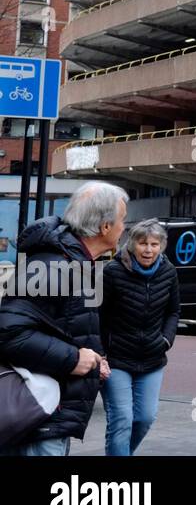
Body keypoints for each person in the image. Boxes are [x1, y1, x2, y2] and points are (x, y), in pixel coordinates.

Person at [0, 181, 127, 456]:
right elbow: (9, 333)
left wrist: (93, 359)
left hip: (51, 418)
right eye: (122, 220)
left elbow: (64, 328)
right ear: (105, 227)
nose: (124, 228)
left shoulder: (75, 264)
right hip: (39, 421)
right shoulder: (52, 266)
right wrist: (73, 358)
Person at [100, 218, 180, 456]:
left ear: (162, 246)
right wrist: (102, 351)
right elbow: (98, 315)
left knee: (144, 418)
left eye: (154, 244)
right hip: (117, 359)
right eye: (143, 243)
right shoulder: (113, 271)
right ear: (132, 244)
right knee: (122, 418)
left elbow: (174, 311)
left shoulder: (169, 272)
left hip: (152, 358)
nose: (148, 250)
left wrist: (166, 340)